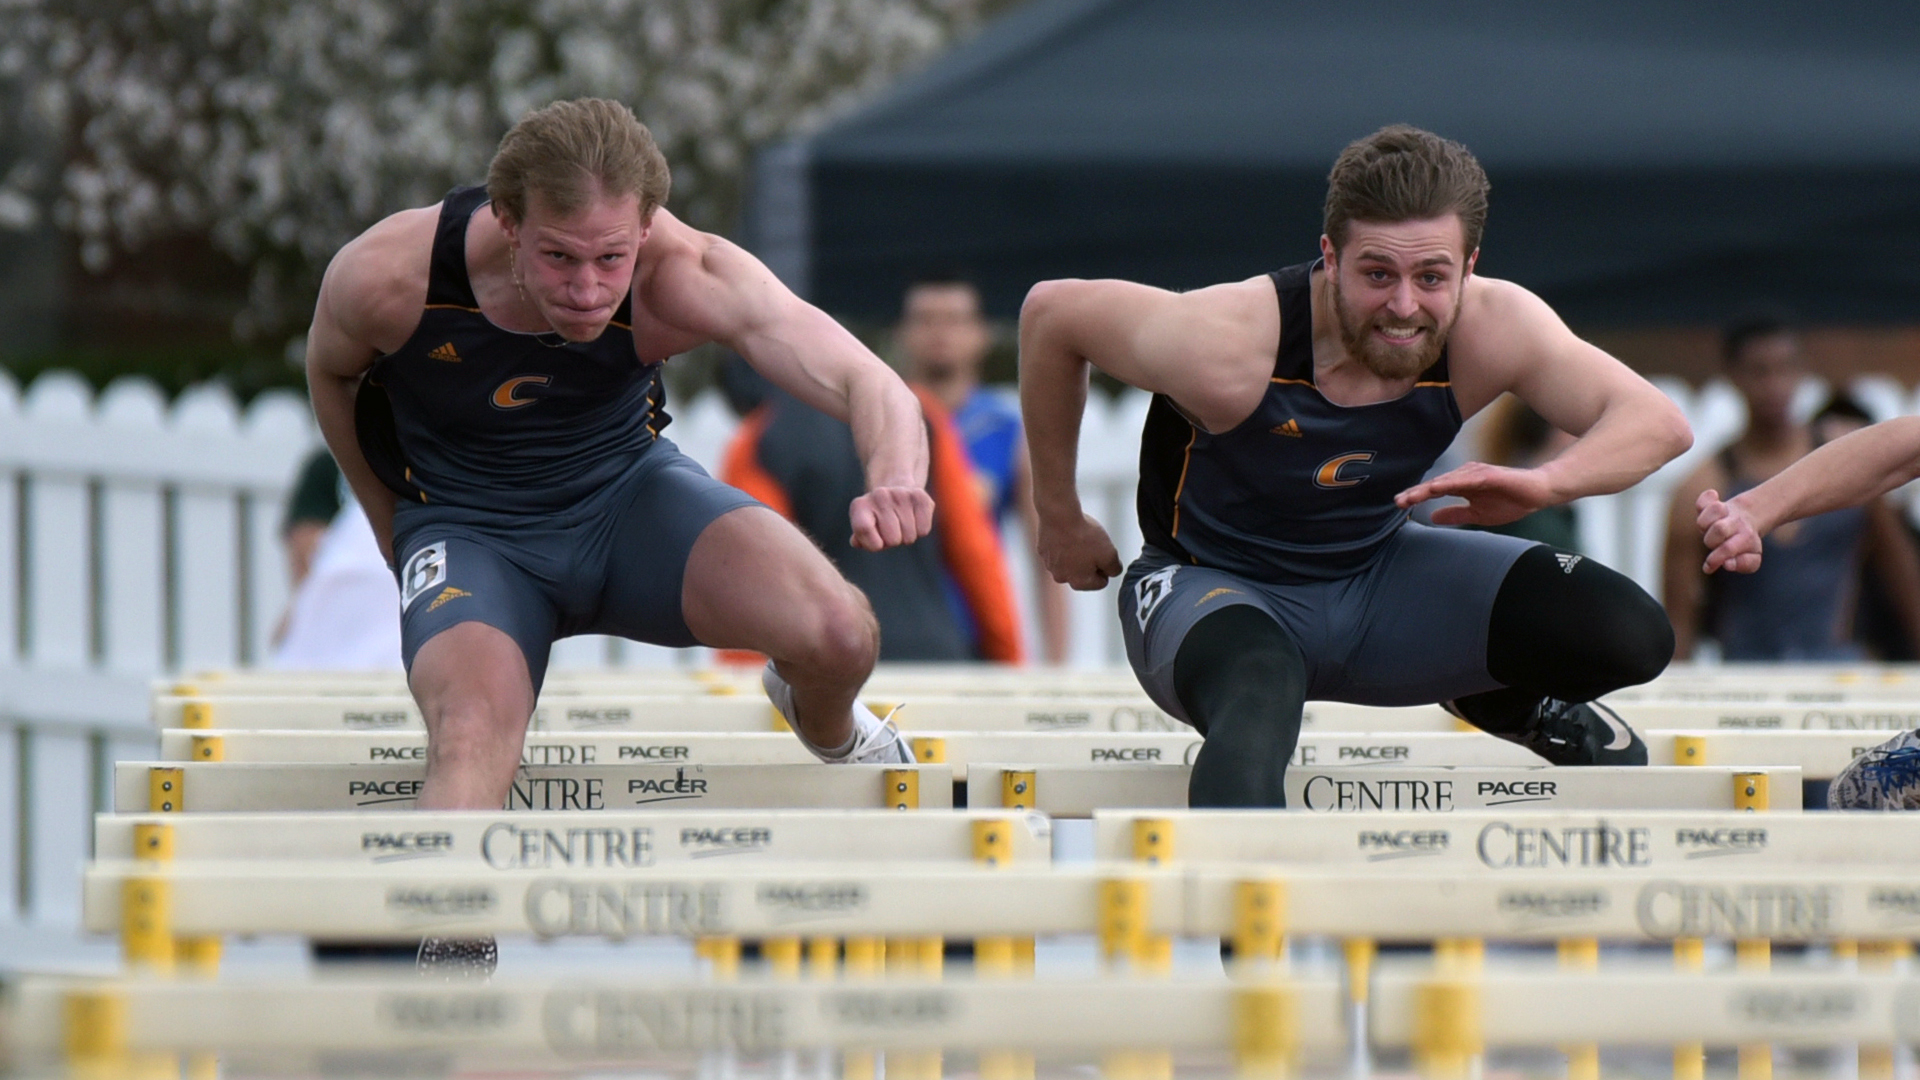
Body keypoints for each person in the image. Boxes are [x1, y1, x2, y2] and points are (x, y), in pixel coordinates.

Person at [1019, 125, 1691, 808]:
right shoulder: (1228, 343)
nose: (1403, 307)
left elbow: (1657, 423)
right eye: (1377, 274)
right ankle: (1252, 914)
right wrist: (1060, 515)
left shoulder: (1493, 327)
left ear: (1469, 266)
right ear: (1330, 257)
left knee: (1629, 635)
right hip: (1215, 588)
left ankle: (1501, 700)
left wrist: (1546, 484)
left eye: (1431, 277)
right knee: (1258, 700)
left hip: (1374, 580)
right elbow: (1052, 315)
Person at [307, 99, 931, 805]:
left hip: (627, 505)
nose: (586, 289)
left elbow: (867, 378)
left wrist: (896, 477)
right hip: (471, 528)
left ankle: (832, 731)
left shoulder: (679, 272)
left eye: (611, 258)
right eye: (558, 257)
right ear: (509, 221)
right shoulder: (392, 279)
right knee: (471, 737)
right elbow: (329, 371)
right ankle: (452, 914)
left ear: (643, 227)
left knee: (842, 635)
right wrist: (391, 526)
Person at [1696, 414, 1920, 807]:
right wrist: (1754, 509)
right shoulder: (1704, 480)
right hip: (1751, 669)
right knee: (1856, 797)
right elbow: (1901, 450)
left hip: (1830, 658)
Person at [1664, 319, 1920, 661]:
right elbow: (1680, 620)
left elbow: (1902, 575)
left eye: (1785, 369)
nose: (1775, 385)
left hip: (1837, 663)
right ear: (1732, 377)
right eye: (1760, 372)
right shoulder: (1702, 488)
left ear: (1802, 371)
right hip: (1745, 670)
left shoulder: (1847, 459)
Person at [722, 382, 1023, 663]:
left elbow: (759, 576)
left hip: (830, 670)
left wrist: (746, 686)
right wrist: (1010, 667)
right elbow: (976, 554)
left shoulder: (760, 437)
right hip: (932, 656)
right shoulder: (921, 416)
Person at [897, 276, 1071, 663]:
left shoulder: (1005, 431)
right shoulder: (883, 422)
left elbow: (1047, 556)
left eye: (954, 320)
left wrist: (1058, 667)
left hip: (975, 638)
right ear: (903, 333)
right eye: (925, 319)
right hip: (892, 633)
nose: (939, 333)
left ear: (981, 334)